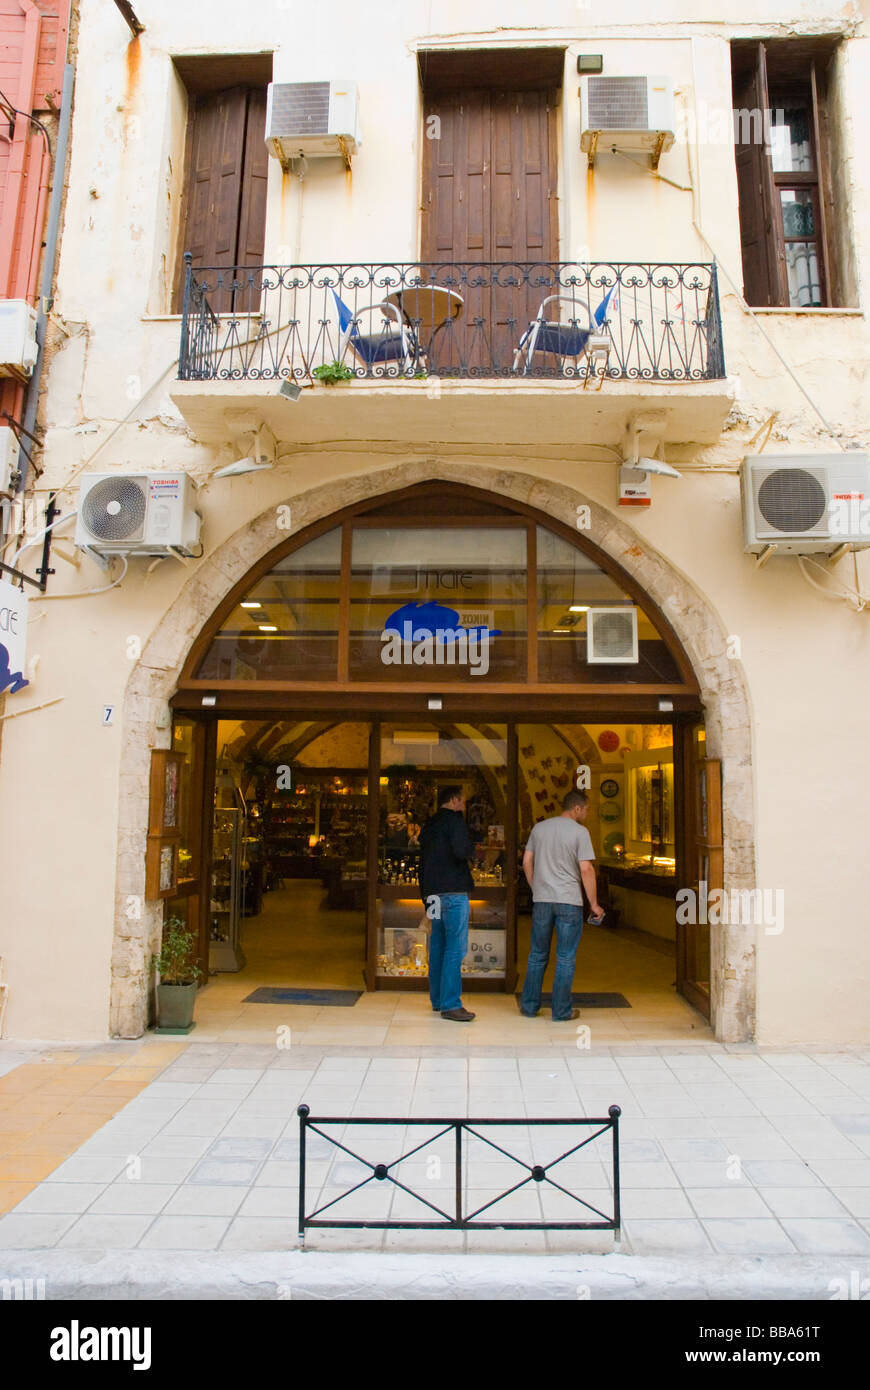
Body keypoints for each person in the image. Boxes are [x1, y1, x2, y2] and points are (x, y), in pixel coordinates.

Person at [520, 789, 604, 1022]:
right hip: (568, 900)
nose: (587, 813)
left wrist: (535, 886)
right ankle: (561, 1010)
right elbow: (586, 869)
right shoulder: (580, 832)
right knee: (565, 957)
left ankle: (529, 1006)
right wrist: (594, 904)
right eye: (586, 809)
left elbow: (527, 861)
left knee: (537, 955)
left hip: (542, 900)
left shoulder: (539, 829)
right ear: (577, 808)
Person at [419, 784, 478, 1022]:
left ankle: (438, 999)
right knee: (455, 948)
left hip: (432, 894)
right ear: (454, 801)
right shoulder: (455, 821)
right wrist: (472, 843)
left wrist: (424, 898)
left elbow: (422, 864)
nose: (463, 806)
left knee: (438, 947)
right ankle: (451, 1004)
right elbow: (462, 850)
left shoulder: (429, 826)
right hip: (454, 893)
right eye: (463, 802)